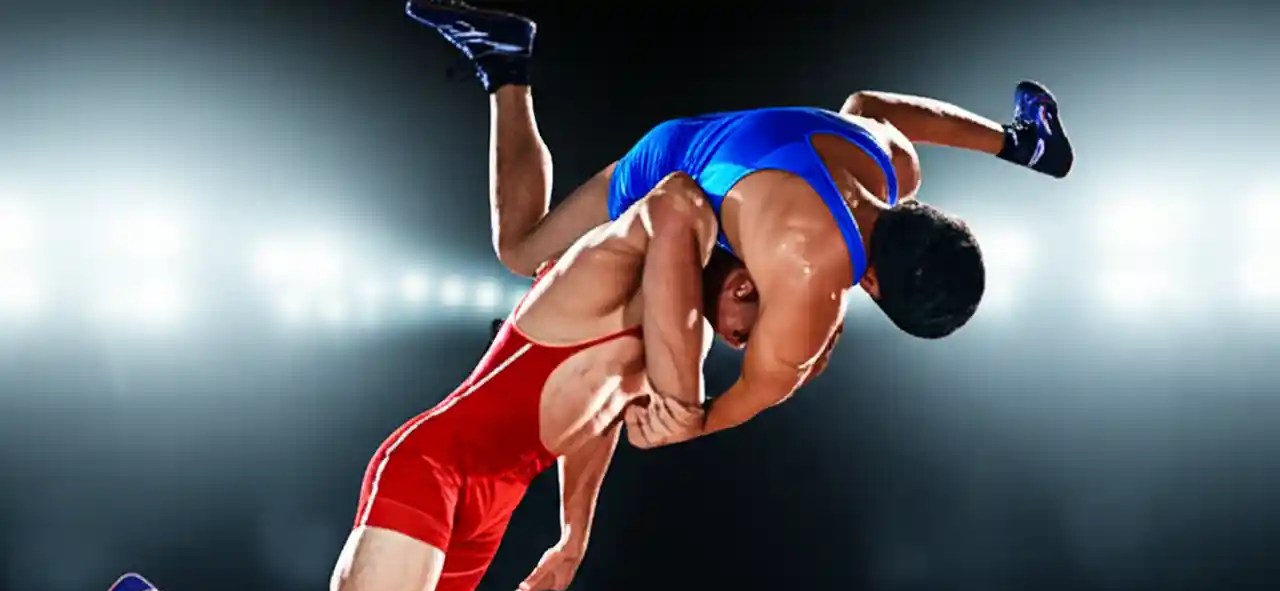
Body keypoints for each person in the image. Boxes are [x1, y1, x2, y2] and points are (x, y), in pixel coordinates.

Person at [57, 167, 760, 591]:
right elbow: (672, 201)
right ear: (733, 267)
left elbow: (601, 414)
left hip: (496, 496)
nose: (747, 336)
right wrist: (692, 393)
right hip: (438, 463)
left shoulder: (679, 334)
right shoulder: (621, 262)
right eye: (750, 307)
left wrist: (574, 531)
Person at [405, 0, 1074, 448]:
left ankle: (1027, 144)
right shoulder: (814, 285)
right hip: (668, 185)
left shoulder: (889, 161)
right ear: (872, 286)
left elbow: (872, 102)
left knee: (657, 298)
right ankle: (506, 69)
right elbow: (750, 395)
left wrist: (1010, 144)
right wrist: (682, 427)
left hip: (694, 145)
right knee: (529, 255)